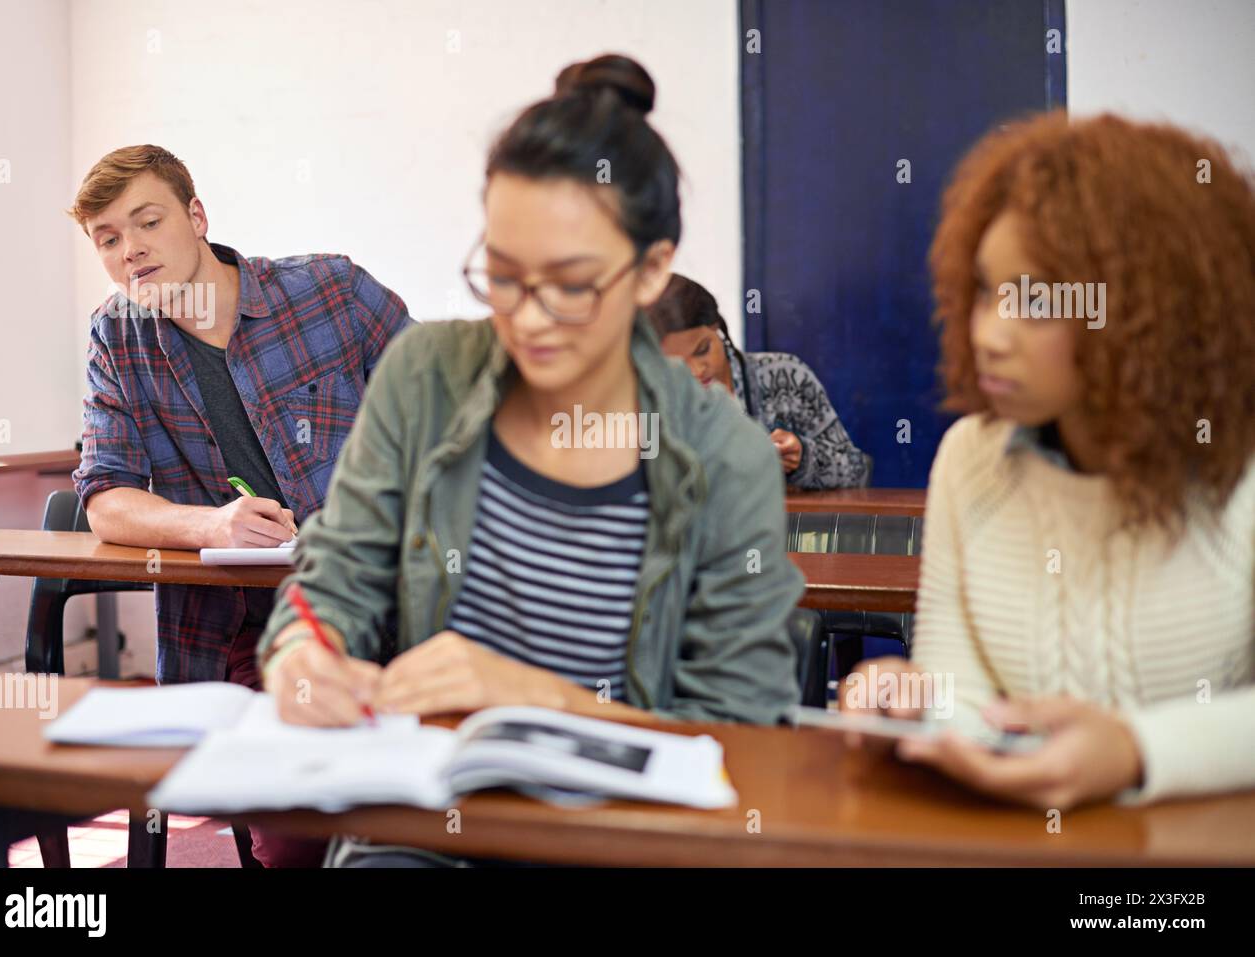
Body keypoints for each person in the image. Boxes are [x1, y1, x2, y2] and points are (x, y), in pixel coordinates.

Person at [257, 53, 803, 741]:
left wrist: (535, 697)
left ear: (653, 270)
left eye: (571, 284)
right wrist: (302, 653)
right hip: (426, 814)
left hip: (624, 831)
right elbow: (336, 574)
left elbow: (740, 734)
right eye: (504, 276)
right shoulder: (425, 375)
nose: (530, 318)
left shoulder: (726, 459)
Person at [843, 112, 1255, 809]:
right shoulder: (970, 459)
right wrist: (910, 705)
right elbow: (964, 692)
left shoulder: (1238, 469)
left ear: (1143, 311)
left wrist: (1134, 750)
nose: (988, 333)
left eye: (1034, 300)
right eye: (982, 288)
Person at [69, 145, 413, 865]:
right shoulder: (117, 339)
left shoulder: (332, 292)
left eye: (147, 222)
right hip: (247, 637)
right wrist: (211, 524)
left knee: (444, 817)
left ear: (196, 216)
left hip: (394, 614)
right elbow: (105, 499)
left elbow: (446, 420)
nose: (130, 249)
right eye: (107, 238)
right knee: (300, 845)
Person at [648, 274, 870, 488]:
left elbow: (858, 471)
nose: (696, 371)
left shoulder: (783, 377)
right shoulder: (649, 399)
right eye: (676, 364)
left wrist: (803, 458)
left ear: (718, 329)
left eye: (702, 350)